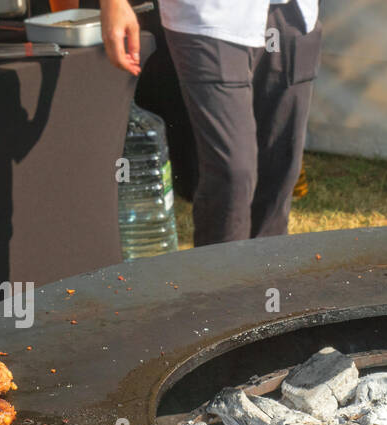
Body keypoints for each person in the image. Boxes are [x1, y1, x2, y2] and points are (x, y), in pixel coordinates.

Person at [100, 0, 321, 246]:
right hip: (208, 18)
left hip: (293, 13)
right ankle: (217, 282)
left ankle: (267, 280)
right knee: (233, 176)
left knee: (280, 169)